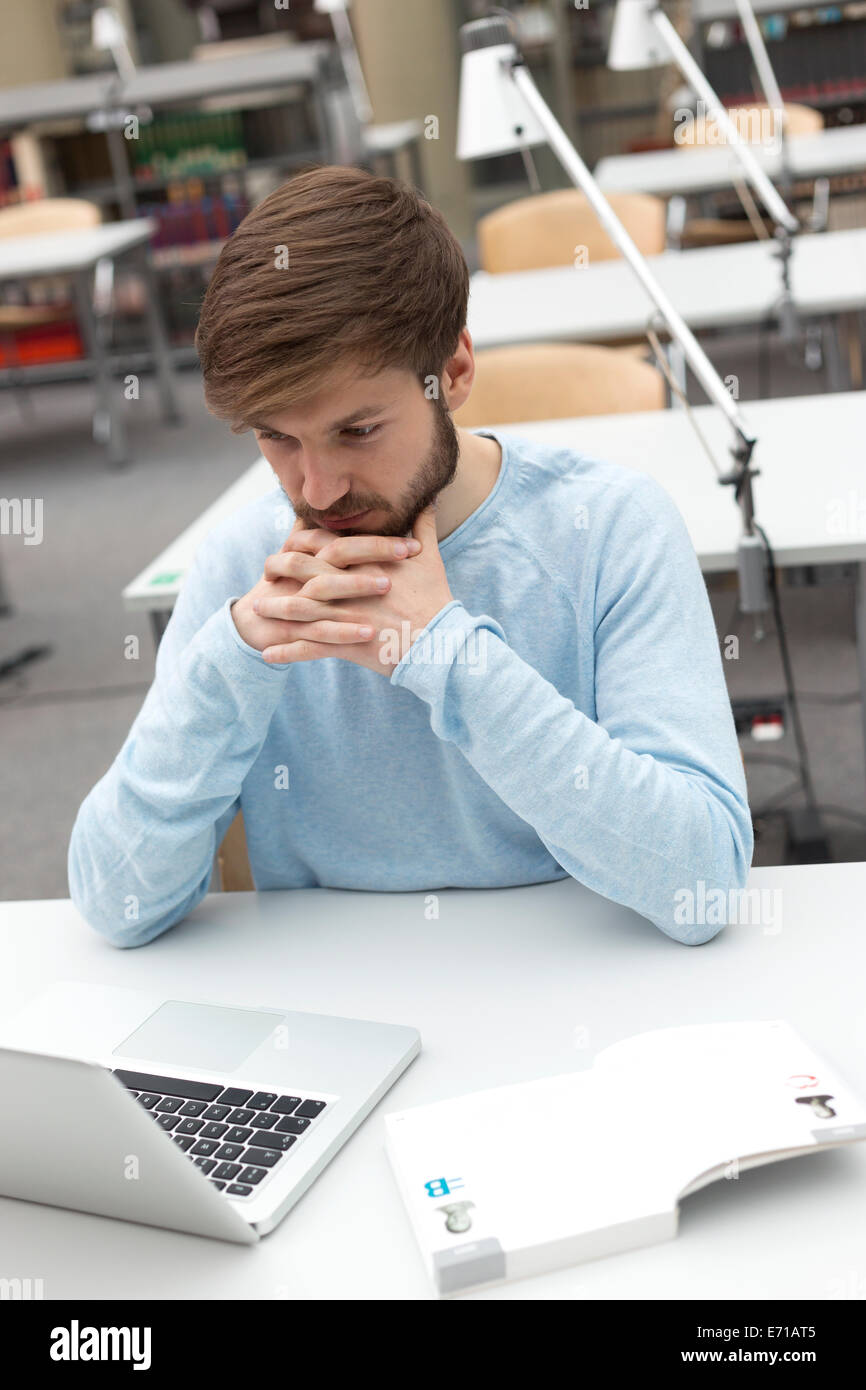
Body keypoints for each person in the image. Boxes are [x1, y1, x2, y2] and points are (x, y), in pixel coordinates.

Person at [68, 165, 752, 948]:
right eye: (276, 438)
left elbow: (702, 884)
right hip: (336, 1027)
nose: (317, 490)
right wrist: (230, 667)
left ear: (454, 371)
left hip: (576, 1011)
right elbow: (115, 908)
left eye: (357, 431)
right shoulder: (240, 567)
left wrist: (449, 657)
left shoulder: (612, 530)